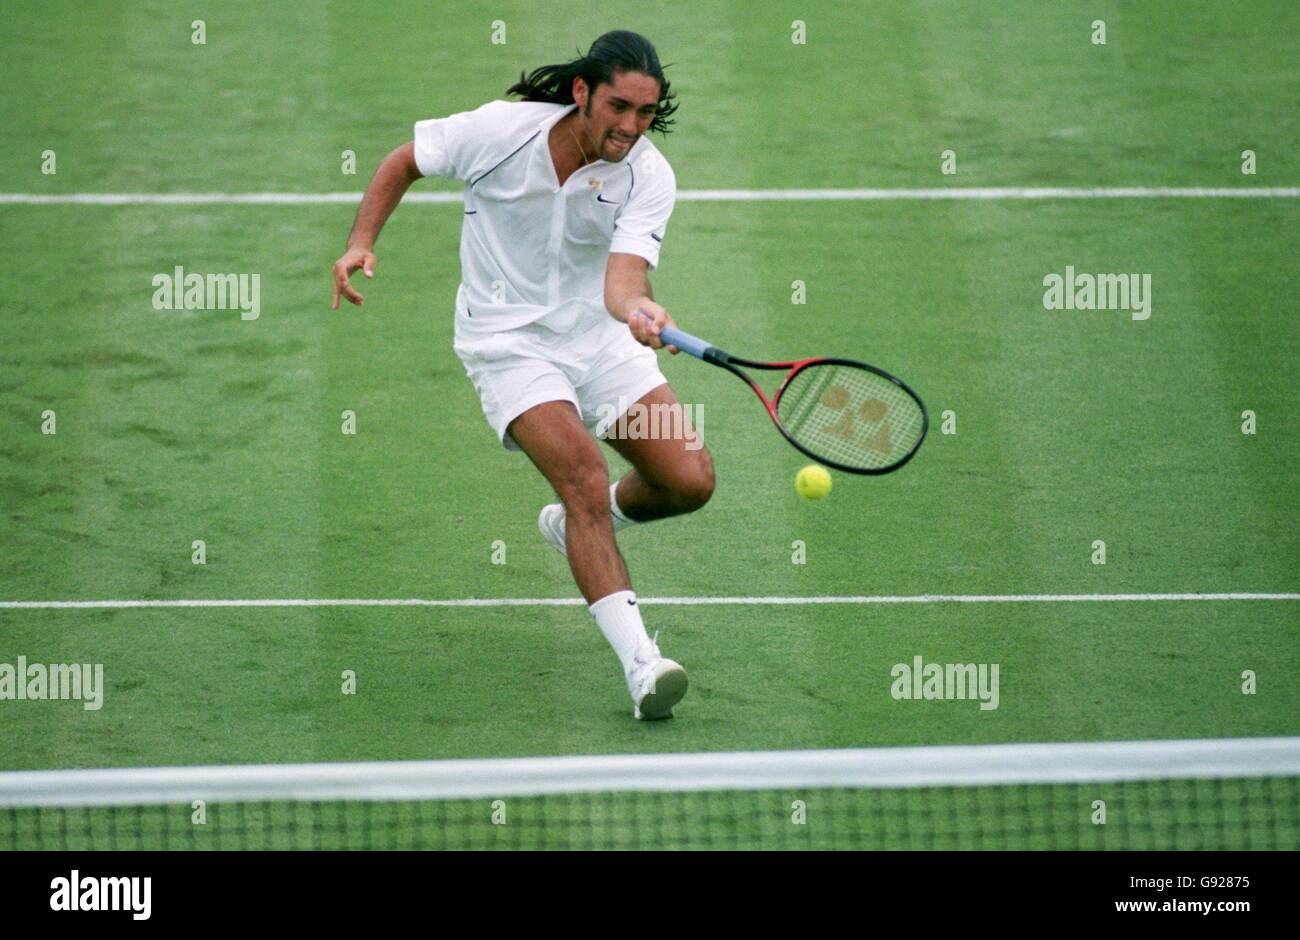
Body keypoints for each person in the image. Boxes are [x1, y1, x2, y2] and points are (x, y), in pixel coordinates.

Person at [330, 31, 713, 720]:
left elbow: (622, 284)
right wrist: (361, 242)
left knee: (689, 481)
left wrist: (640, 309)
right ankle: (641, 663)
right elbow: (404, 161)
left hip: (599, 342)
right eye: (619, 107)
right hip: (505, 342)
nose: (631, 126)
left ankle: (580, 529)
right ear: (581, 94)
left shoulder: (649, 175)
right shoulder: (497, 132)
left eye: (646, 113)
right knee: (582, 476)